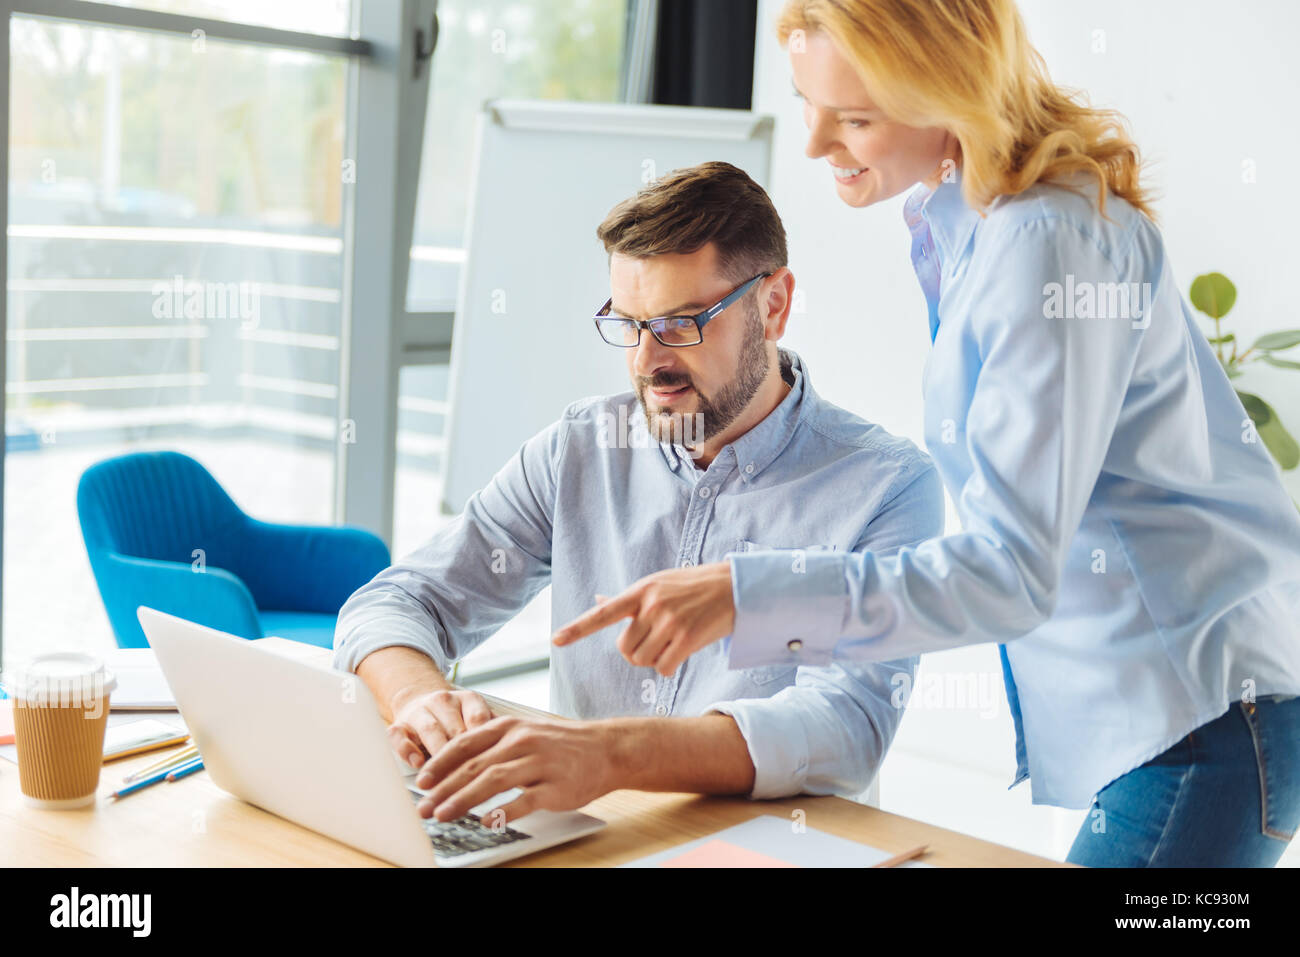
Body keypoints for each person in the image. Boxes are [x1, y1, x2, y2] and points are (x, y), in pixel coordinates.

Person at [553, 0, 1300, 867]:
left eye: (856, 117)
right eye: (806, 101)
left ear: (952, 90)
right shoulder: (974, 227)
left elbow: (1008, 573)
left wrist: (746, 594)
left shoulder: (1044, 242)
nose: (814, 144)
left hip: (1200, 719)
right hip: (1174, 718)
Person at [332, 161, 944, 824]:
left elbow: (843, 726)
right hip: (585, 841)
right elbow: (395, 602)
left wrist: (611, 755)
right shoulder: (580, 449)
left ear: (774, 305)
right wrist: (424, 699)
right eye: (629, 323)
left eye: (682, 322)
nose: (648, 362)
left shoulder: (886, 486)